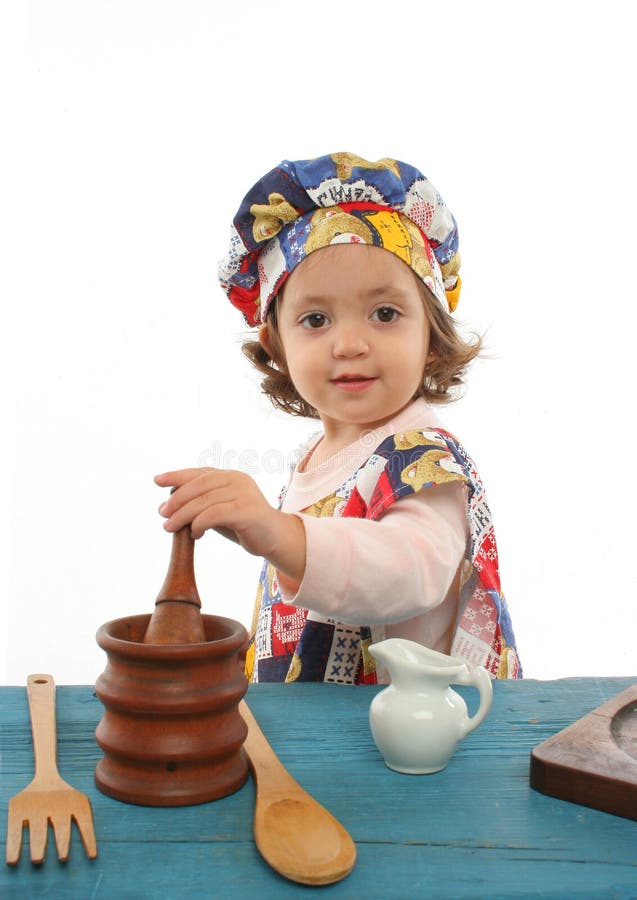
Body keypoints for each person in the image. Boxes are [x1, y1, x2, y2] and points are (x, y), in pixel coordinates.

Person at [155, 152, 521, 684]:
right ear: (277, 346)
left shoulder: (423, 456)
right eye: (316, 319)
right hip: (324, 735)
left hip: (407, 747)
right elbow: (313, 585)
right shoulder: (319, 456)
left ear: (432, 337)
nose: (350, 344)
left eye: (385, 314)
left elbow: (410, 571)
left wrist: (276, 531)